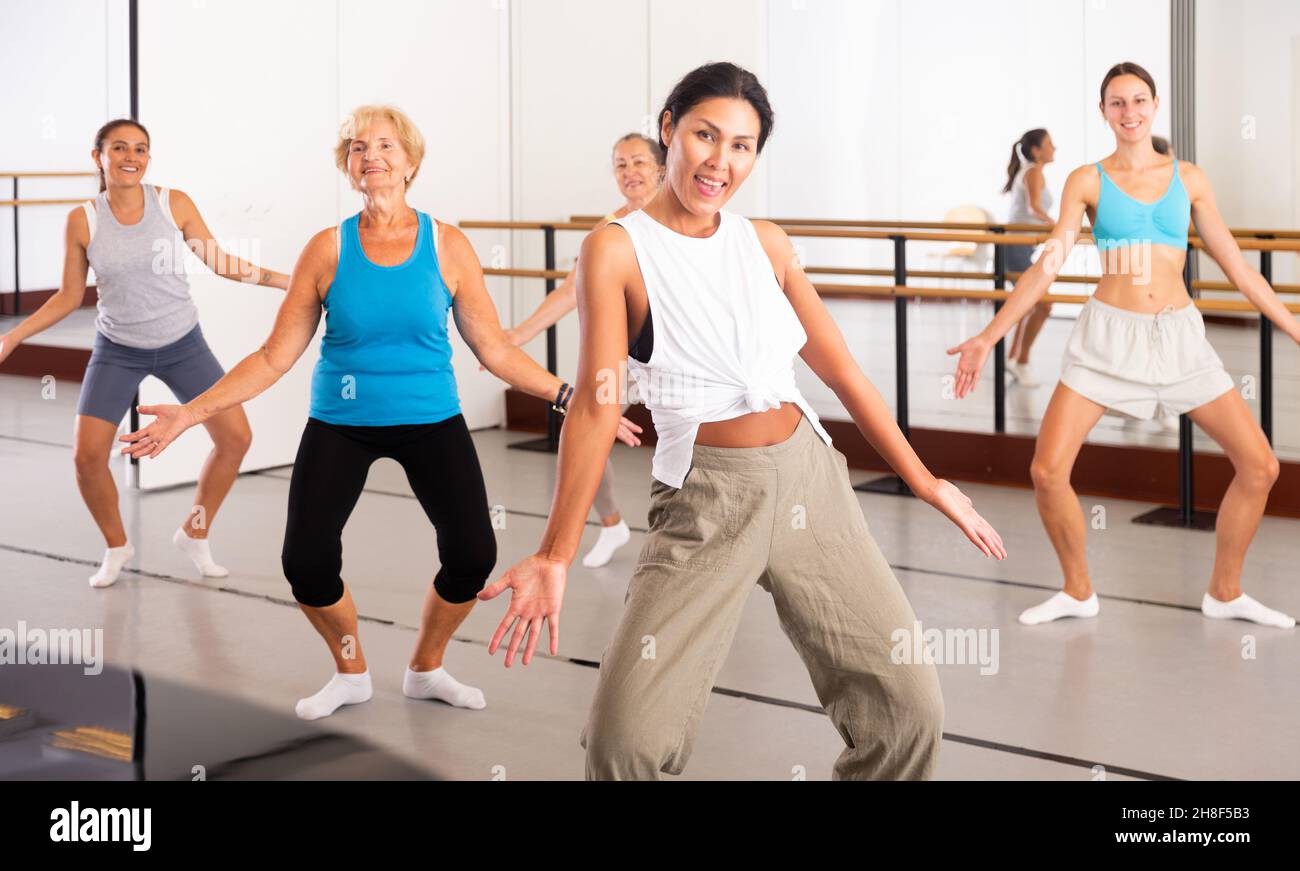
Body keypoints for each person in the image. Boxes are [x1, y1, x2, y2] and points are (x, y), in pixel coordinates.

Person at [479, 62, 1006, 780]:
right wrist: (556, 551)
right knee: (624, 741)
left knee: (909, 709)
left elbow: (842, 368)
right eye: (705, 135)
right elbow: (601, 401)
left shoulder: (765, 242)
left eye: (742, 145)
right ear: (669, 130)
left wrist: (924, 478)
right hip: (706, 495)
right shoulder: (615, 249)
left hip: (808, 481)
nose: (720, 161)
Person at [119, 105, 637, 720]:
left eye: (387, 146)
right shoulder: (326, 249)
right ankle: (350, 670)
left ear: (410, 162)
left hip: (431, 420)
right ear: (348, 166)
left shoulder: (447, 245)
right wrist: (189, 413)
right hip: (341, 424)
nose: (373, 156)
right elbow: (272, 357)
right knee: (306, 565)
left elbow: (493, 348)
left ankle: (426, 667)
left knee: (472, 556)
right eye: (359, 148)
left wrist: (567, 395)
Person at [948, 62, 1297, 630]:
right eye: (1117, 103)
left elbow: (1239, 269)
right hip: (1108, 337)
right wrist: (990, 335)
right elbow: (1049, 265)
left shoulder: (1191, 178)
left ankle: (1226, 592)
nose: (1129, 112)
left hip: (1179, 338)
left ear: (1155, 105)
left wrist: (1294, 326)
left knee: (1259, 466)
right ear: (1104, 111)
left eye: (1139, 101)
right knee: (1047, 469)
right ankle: (1078, 589)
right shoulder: (1086, 180)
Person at [0, 118, 289, 587]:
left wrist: (289, 282)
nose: (131, 157)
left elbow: (221, 263)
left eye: (140, 148)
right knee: (87, 456)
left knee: (235, 439)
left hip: (183, 344)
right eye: (119, 148)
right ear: (99, 157)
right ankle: (117, 545)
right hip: (117, 349)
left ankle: (195, 533)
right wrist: (14, 336)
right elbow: (69, 296)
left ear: (148, 157)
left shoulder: (173, 203)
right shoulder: (83, 219)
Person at [503, 133, 664, 567]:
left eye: (638, 163)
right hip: (630, 357)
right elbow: (570, 292)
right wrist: (518, 334)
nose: (629, 173)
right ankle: (612, 524)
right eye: (620, 165)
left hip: (685, 355)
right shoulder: (609, 229)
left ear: (661, 168)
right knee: (579, 432)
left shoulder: (682, 216)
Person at [1002, 128, 1056, 387]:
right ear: (1036, 150)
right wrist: (1058, 226)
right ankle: (1021, 361)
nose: (1054, 148)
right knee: (1043, 304)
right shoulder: (1033, 172)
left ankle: (1014, 359)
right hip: (1014, 247)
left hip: (1020, 247)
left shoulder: (1034, 172)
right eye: (1049, 144)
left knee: (1026, 305)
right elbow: (1034, 207)